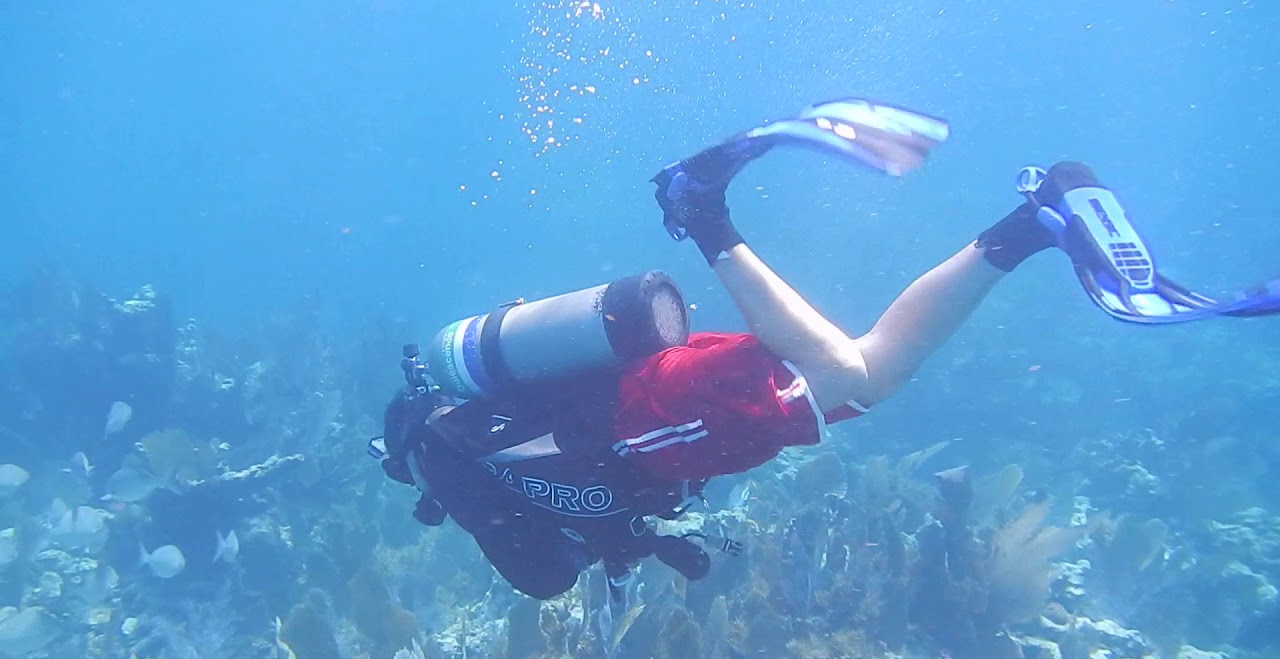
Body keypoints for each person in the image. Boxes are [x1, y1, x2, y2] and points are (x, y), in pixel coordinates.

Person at [375, 98, 1278, 601]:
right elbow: (586, 514)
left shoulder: (448, 460)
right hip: (656, 408)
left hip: (646, 422)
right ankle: (1034, 220)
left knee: (844, 371)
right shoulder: (463, 437)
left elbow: (539, 575)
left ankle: (699, 210)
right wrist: (644, 544)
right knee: (874, 372)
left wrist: (606, 541)